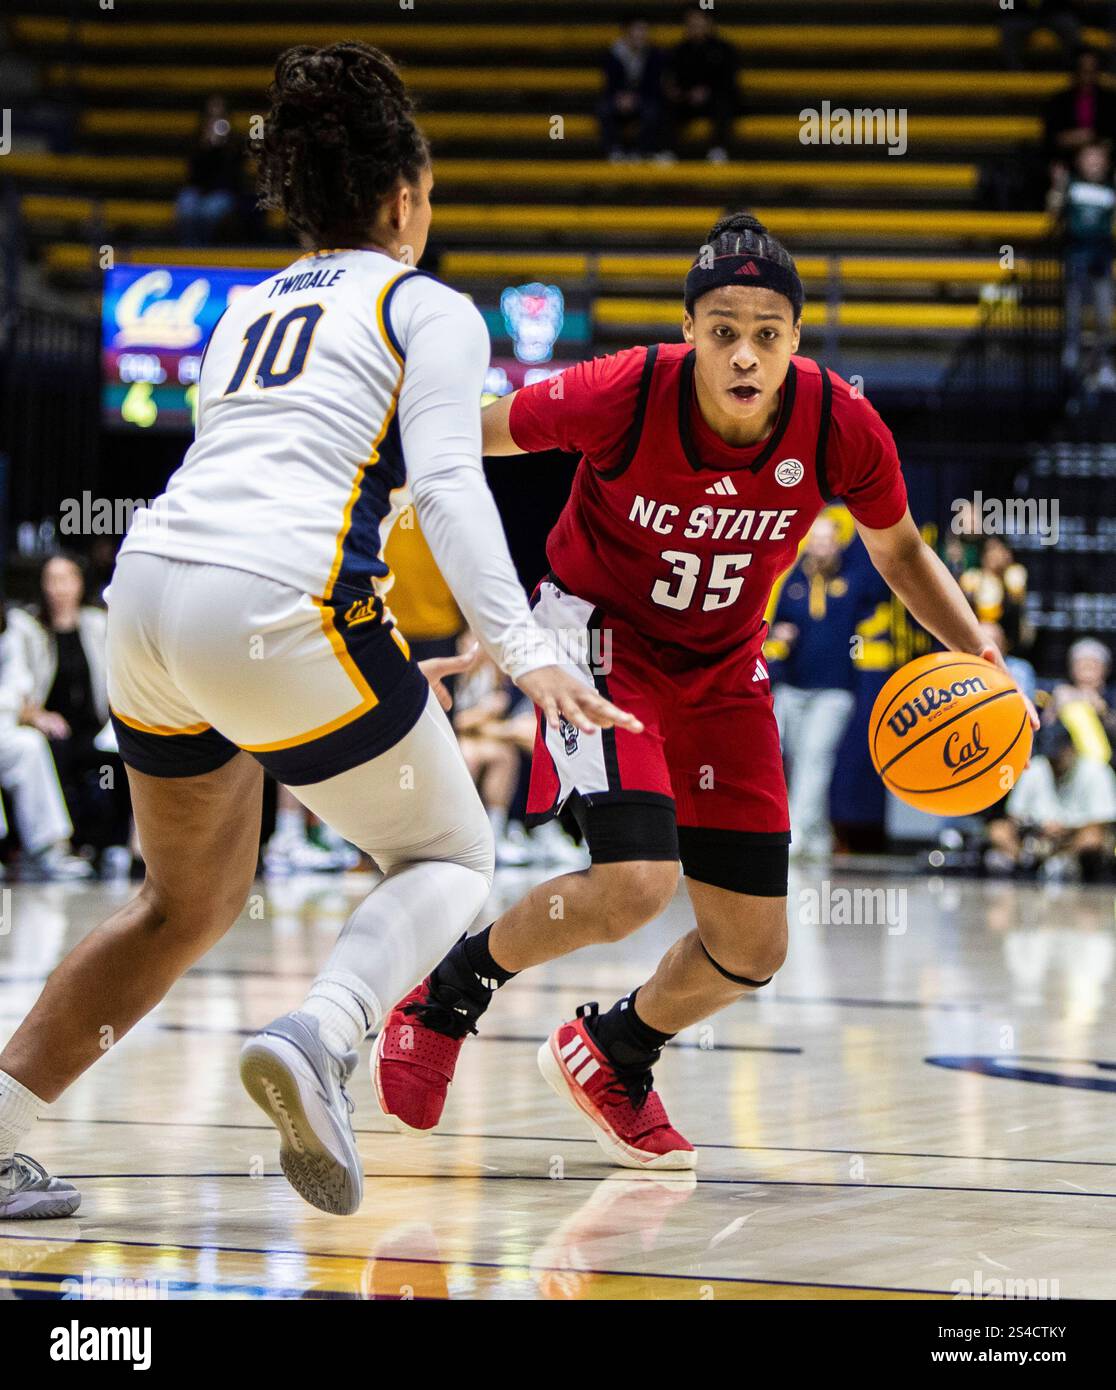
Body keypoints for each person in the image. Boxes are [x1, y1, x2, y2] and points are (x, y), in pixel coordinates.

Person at [0, 42, 637, 1221]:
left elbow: (296, 479)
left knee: (179, 902)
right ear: (404, 199)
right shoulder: (427, 305)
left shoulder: (245, 313)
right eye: (430, 193)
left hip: (148, 591)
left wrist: (380, 634)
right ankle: (323, 1034)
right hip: (276, 607)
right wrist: (529, 647)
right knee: (452, 858)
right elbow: (442, 485)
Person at [371, 211, 1038, 1169]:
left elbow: (899, 551)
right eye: (723, 330)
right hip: (601, 638)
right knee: (636, 885)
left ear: (795, 342)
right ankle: (445, 996)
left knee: (750, 949)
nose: (744, 354)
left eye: (767, 334)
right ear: (689, 331)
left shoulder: (838, 420)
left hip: (725, 667)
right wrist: (397, 515)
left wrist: (981, 653)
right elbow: (461, 440)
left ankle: (618, 1050)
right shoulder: (626, 391)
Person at [8, 554, 131, 865]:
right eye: (52, 580)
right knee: (53, 749)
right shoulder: (28, 627)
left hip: (94, 726)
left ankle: (112, 844)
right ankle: (64, 845)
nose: (58, 588)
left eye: (66, 579)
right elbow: (18, 688)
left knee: (121, 757)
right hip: (48, 725)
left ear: (79, 583)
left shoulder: (97, 624)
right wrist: (37, 716)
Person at [768, 516, 861, 860]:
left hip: (834, 689)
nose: (821, 546)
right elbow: (774, 626)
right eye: (815, 539)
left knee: (814, 758)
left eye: (827, 540)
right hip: (792, 686)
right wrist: (780, 636)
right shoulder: (791, 580)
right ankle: (817, 835)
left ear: (838, 544)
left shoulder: (854, 580)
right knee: (790, 760)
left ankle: (794, 836)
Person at [0, 603, 92, 881]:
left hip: (2, 723)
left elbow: (17, 685)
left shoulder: (9, 628)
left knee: (29, 745)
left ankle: (46, 849)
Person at [988, 717, 1116, 881]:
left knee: (1092, 838)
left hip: (1072, 839)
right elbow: (1014, 815)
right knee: (998, 830)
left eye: (1058, 755)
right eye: (1051, 757)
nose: (1054, 762)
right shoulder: (1036, 767)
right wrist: (1037, 827)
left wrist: (1066, 829)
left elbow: (1101, 823)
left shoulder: (1096, 770)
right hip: (1036, 837)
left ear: (1072, 749)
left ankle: (1063, 862)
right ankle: (1025, 864)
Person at [1048, 141, 1116, 382]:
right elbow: (1054, 210)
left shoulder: (1111, 187)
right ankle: (1071, 355)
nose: (1093, 163)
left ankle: (1104, 362)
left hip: (1102, 259)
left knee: (1103, 314)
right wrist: (1058, 186)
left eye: (1098, 158)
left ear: (1106, 162)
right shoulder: (1072, 185)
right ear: (1079, 161)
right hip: (1075, 256)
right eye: (1089, 158)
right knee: (1073, 311)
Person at [665, 7, 739, 162]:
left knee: (724, 106)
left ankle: (718, 148)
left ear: (709, 23)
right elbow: (673, 79)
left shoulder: (723, 49)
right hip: (687, 100)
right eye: (691, 22)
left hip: (715, 99)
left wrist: (708, 91)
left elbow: (729, 81)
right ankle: (667, 150)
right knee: (666, 107)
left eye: (699, 21)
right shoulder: (679, 50)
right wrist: (682, 92)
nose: (695, 26)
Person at [175, 95, 243, 246]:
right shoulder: (196, 141)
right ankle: (189, 249)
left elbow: (233, 178)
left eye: (220, 116)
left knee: (211, 210)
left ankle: (206, 249)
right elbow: (192, 177)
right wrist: (205, 149)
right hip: (199, 191)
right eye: (212, 116)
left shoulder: (234, 143)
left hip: (223, 192)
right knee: (187, 203)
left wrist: (223, 149)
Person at [599, 19, 668, 162]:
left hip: (643, 98)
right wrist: (620, 97)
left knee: (653, 111)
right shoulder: (612, 54)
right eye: (637, 30)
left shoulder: (654, 54)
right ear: (626, 32)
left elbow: (654, 85)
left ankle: (642, 151)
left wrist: (635, 98)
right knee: (604, 109)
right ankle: (614, 150)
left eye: (644, 30)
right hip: (618, 98)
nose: (641, 34)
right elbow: (609, 84)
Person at [959, 536, 1032, 653]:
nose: (996, 555)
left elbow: (1017, 613)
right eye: (992, 550)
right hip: (977, 637)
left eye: (1000, 550)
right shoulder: (973, 578)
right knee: (989, 631)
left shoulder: (1013, 577)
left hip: (1008, 642)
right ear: (983, 556)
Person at [1042, 47, 1116, 158]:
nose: (1088, 76)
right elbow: (1051, 137)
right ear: (1075, 71)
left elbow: (1111, 135)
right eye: (1084, 70)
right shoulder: (1058, 101)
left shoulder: (1110, 100)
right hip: (1066, 158)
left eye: (1092, 70)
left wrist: (1092, 138)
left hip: (1104, 159)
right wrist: (1071, 138)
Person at [1003, 2, 1082, 70]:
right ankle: (1015, 71)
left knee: (1069, 25)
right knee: (1009, 28)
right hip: (1022, 14)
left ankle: (1071, 69)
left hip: (1053, 11)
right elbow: (1004, 4)